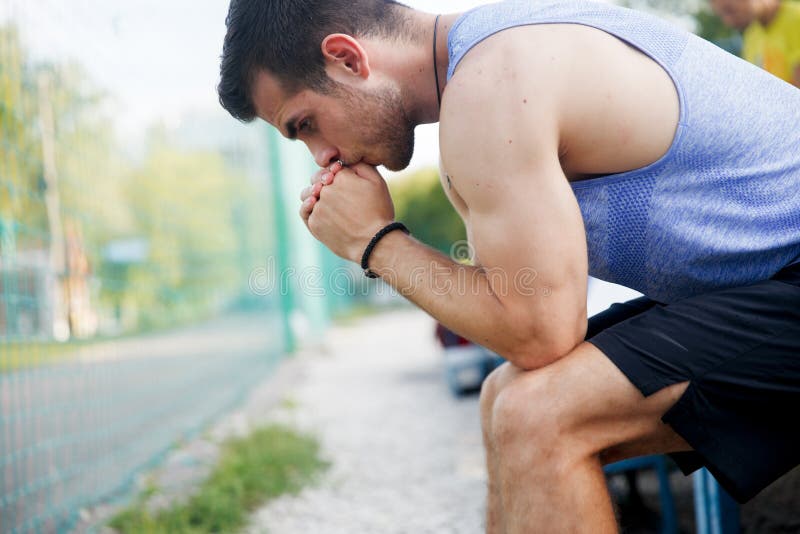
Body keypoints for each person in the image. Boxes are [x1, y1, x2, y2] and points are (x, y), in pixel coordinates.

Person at [217, 1, 800, 532]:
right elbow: (518, 315)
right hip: (774, 276)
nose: (322, 157)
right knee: (504, 395)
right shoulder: (498, 48)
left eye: (305, 124)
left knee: (539, 417)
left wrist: (376, 243)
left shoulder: (490, 86)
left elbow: (538, 331)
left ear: (347, 59)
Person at [712, 0, 800, 87]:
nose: (728, 21)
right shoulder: (750, 36)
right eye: (721, 16)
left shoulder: (796, 17)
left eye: (730, 10)